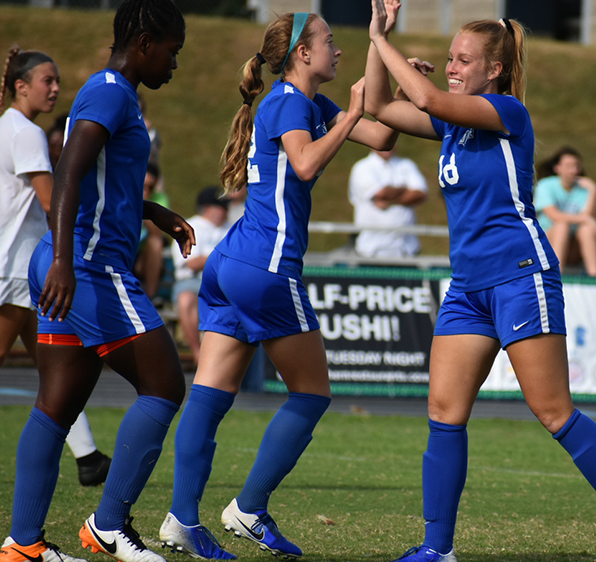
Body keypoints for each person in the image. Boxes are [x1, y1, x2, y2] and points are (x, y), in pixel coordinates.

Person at [366, 2, 596, 561]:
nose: (451, 67)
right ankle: (438, 549)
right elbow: (381, 106)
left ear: (494, 69)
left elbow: (425, 97)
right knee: (443, 413)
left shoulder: (508, 111)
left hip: (521, 275)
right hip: (468, 287)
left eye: (463, 60)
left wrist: (386, 42)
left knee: (552, 411)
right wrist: (377, 38)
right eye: (450, 58)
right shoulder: (452, 125)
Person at [158, 11, 397, 560]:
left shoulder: (304, 101)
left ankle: (182, 519)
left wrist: (382, 48)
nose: (337, 50)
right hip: (266, 268)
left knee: (212, 396)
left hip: (232, 264)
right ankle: (248, 508)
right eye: (330, 42)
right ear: (302, 54)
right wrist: (354, 109)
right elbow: (308, 163)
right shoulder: (292, 101)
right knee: (312, 395)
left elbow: (381, 134)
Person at [0, 3, 193, 562]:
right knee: (165, 385)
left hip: (69, 261)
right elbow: (71, 173)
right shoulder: (111, 91)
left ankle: (25, 547)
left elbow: (105, 181)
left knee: (56, 405)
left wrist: (151, 211)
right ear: (146, 40)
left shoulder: (115, 93)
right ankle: (109, 525)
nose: (174, 65)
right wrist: (63, 259)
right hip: (85, 268)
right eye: (172, 52)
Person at [0, 48, 111, 489]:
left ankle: (88, 458)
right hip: (15, 263)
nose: (56, 88)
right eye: (48, 80)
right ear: (21, 86)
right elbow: (52, 202)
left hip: (8, 261)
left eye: (57, 80)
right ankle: (87, 458)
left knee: (57, 360)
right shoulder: (26, 133)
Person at [172, 186, 229, 365]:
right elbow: (190, 262)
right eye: (221, 206)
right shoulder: (191, 226)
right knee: (186, 299)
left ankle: (221, 358)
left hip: (223, 281)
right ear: (207, 208)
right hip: (193, 280)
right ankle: (198, 354)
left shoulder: (230, 228)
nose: (225, 211)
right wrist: (222, 256)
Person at [534, 146, 596, 276]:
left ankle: (595, 276)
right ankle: (557, 274)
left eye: (577, 166)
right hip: (548, 242)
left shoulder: (584, 188)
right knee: (562, 225)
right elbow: (554, 215)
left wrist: (594, 190)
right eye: (569, 166)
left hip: (573, 245)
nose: (574, 170)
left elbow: (588, 217)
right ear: (557, 168)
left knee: (586, 229)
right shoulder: (546, 185)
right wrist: (586, 219)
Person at [348, 146, 428, 258]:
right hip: (371, 252)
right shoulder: (362, 167)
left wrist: (391, 201)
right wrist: (406, 189)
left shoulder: (407, 165)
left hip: (407, 251)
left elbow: (421, 194)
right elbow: (381, 193)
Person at [136, 163, 167, 299]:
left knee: (155, 242)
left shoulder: (160, 199)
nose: (146, 191)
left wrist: (144, 205)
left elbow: (157, 232)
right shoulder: (122, 194)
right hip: (123, 247)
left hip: (143, 256)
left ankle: (151, 296)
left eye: (150, 187)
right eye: (143, 186)